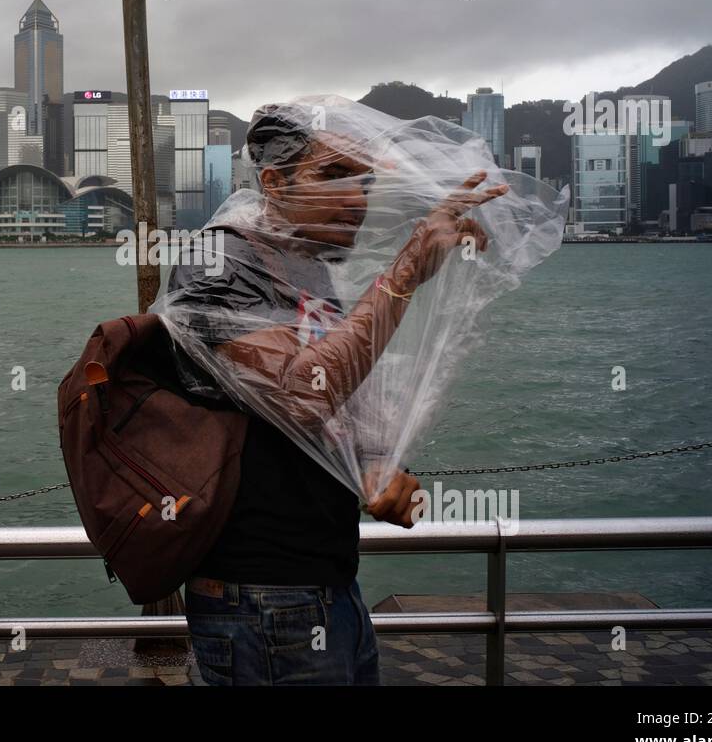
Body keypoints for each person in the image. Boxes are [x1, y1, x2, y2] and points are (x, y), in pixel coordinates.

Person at [159, 102, 508, 686]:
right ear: (274, 181)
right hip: (259, 596)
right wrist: (403, 274)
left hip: (329, 586)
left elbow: (332, 404)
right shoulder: (216, 263)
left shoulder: (308, 270)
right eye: (333, 175)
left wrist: (374, 466)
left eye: (366, 181)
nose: (358, 198)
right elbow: (300, 393)